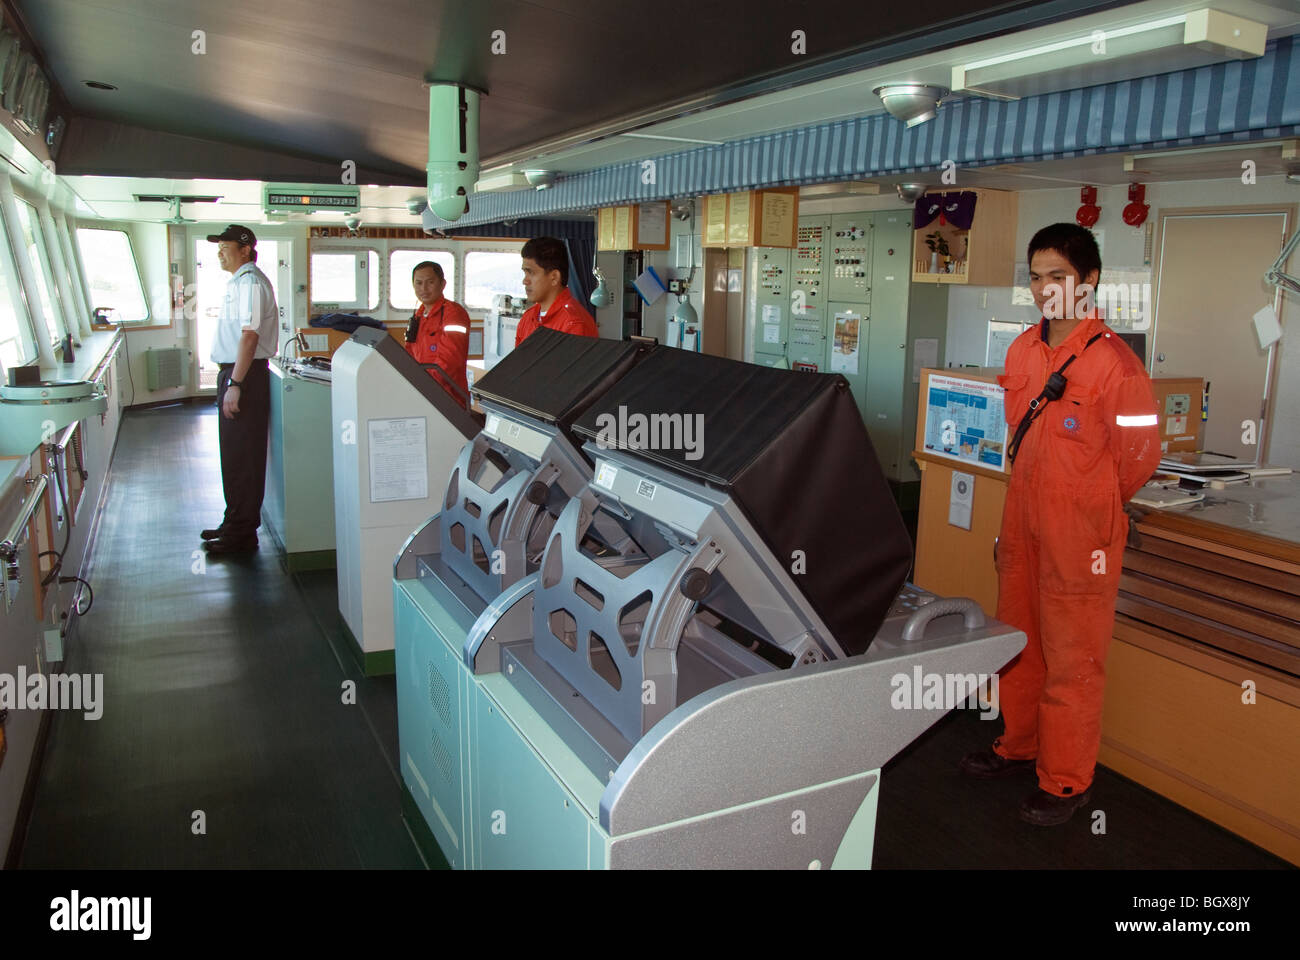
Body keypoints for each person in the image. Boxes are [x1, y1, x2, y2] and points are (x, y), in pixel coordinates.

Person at [960, 223, 1160, 826]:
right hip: (1022, 518)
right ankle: (1017, 744)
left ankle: (1067, 780)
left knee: (1073, 658)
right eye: (1037, 276)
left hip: (1081, 533)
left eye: (1058, 276)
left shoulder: (1117, 367)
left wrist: (1090, 503)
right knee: (1018, 638)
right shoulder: (1022, 351)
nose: (1045, 288)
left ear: (1088, 280)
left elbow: (1139, 458)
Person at [200, 225, 279, 555]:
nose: (219, 252)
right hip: (235, 375)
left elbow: (249, 337)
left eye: (225, 246)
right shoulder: (240, 282)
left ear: (245, 250)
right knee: (233, 457)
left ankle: (242, 535)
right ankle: (233, 522)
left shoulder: (250, 284)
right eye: (218, 247)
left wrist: (236, 384)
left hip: (243, 377)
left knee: (244, 458)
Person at [403, 260, 470, 408]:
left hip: (448, 398)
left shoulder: (453, 313)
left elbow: (449, 361)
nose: (424, 288)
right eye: (418, 283)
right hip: (422, 393)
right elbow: (409, 354)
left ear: (442, 284)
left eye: (430, 282)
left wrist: (425, 386)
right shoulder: (418, 316)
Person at [514, 236, 598, 346]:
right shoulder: (528, 318)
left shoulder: (574, 323)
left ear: (554, 277)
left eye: (531, 273)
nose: (525, 281)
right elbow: (517, 362)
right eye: (525, 273)